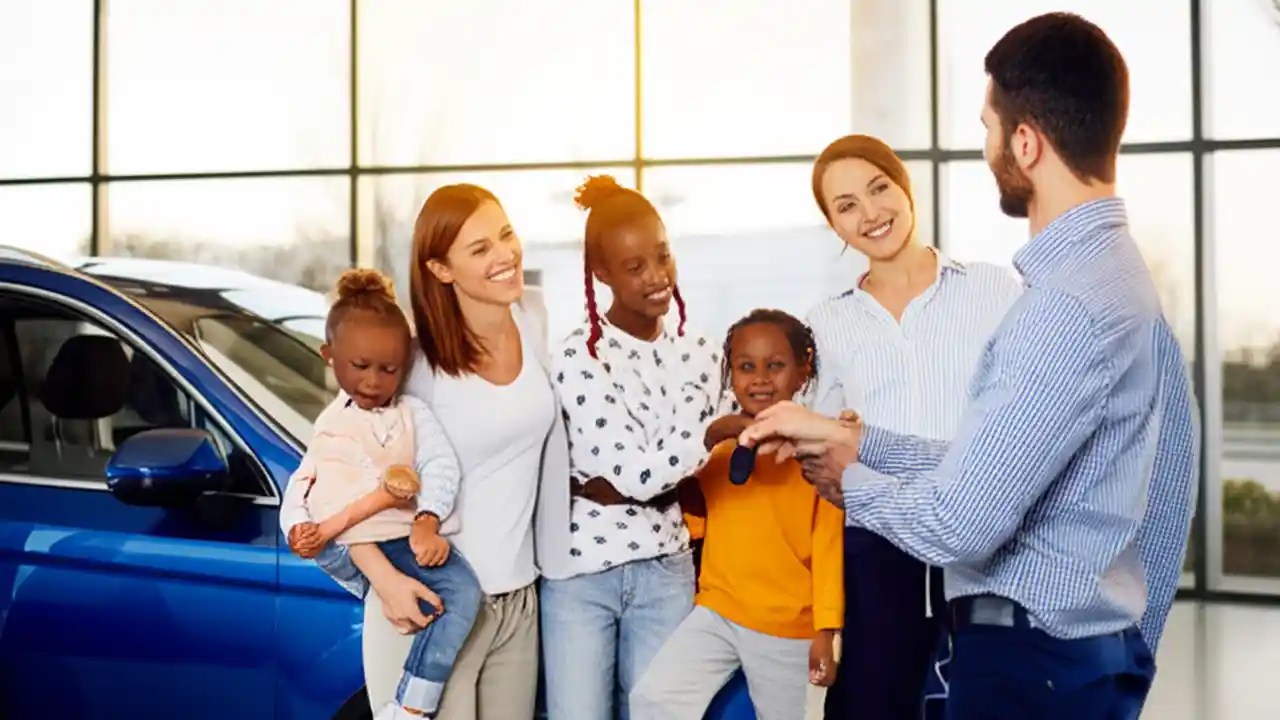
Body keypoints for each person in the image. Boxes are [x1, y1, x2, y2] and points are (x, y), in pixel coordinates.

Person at [739, 12, 1199, 719]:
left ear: (1025, 140)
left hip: (1030, 661)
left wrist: (851, 479)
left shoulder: (1056, 305)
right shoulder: (1117, 276)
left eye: (988, 128)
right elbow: (1023, 463)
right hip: (1068, 650)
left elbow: (962, 520)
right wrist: (862, 442)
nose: (986, 147)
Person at [798, 134, 1022, 720]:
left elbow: (1024, 416)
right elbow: (819, 442)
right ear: (833, 224)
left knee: (979, 702)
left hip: (983, 538)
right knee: (874, 704)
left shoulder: (995, 289)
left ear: (905, 187)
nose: (870, 213)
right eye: (846, 205)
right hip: (877, 544)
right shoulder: (826, 322)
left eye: (878, 189)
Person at [351, 184, 575, 720]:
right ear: (441, 269)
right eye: (479, 250)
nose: (505, 255)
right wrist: (385, 581)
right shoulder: (409, 357)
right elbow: (336, 475)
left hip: (518, 602)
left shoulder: (534, 317)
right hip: (434, 603)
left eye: (505, 234)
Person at [540, 174, 725, 720]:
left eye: (662, 256)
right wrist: (709, 435)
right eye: (634, 266)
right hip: (583, 572)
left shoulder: (704, 353)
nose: (657, 277)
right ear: (602, 274)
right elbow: (636, 475)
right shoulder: (578, 358)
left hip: (668, 567)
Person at [279, 268, 482, 720]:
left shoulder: (414, 413)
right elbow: (310, 494)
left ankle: (408, 702)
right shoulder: (333, 425)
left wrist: (428, 518)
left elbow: (440, 465)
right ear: (329, 356)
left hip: (403, 537)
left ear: (406, 363)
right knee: (444, 598)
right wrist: (304, 528)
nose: (373, 381)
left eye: (389, 369)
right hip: (359, 545)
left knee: (464, 595)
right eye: (360, 367)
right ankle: (413, 706)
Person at [630, 309, 843, 720]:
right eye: (746, 367)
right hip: (719, 612)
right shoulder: (720, 453)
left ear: (803, 371)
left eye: (775, 366)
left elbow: (829, 548)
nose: (760, 378)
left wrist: (827, 632)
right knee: (654, 700)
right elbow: (692, 517)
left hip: (787, 625)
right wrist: (710, 437)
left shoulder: (820, 455)